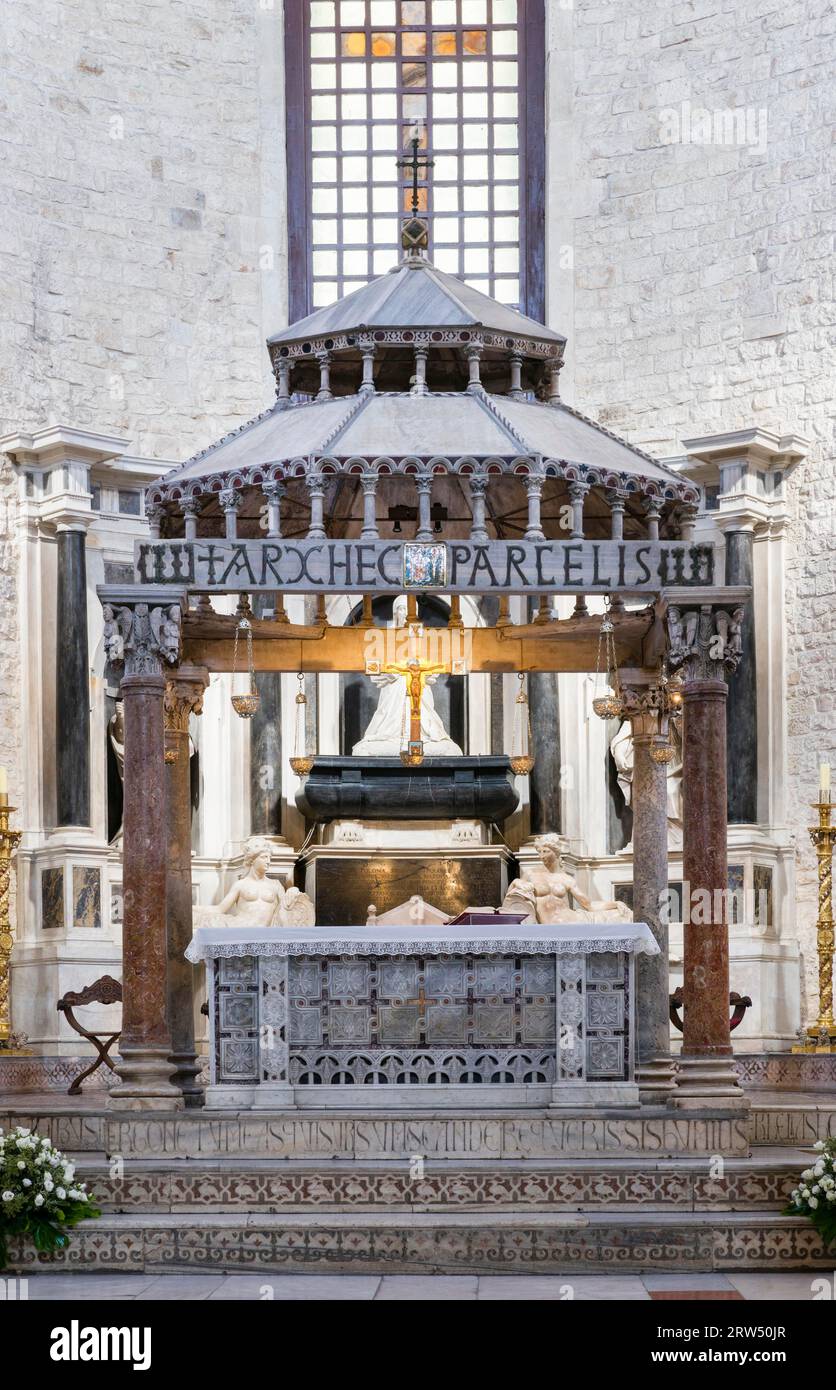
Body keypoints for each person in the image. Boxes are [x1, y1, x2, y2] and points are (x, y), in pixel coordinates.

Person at [502, 833, 632, 925]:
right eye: (540, 852)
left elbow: (589, 905)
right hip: (548, 926)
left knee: (620, 916)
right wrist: (515, 882)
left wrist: (615, 903)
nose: (542, 856)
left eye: (546, 851)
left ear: (556, 852)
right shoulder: (531, 874)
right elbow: (511, 901)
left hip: (573, 921)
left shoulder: (566, 879)